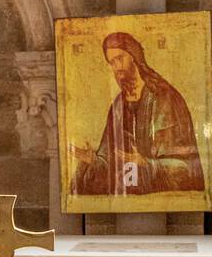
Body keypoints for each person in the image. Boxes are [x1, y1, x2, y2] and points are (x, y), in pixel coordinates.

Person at [70, 31, 204, 198]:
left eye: (120, 59)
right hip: (129, 196)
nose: (117, 67)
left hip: (159, 199)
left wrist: (146, 164)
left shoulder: (163, 98)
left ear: (134, 56)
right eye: (112, 62)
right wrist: (93, 160)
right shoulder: (118, 106)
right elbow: (110, 161)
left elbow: (184, 167)